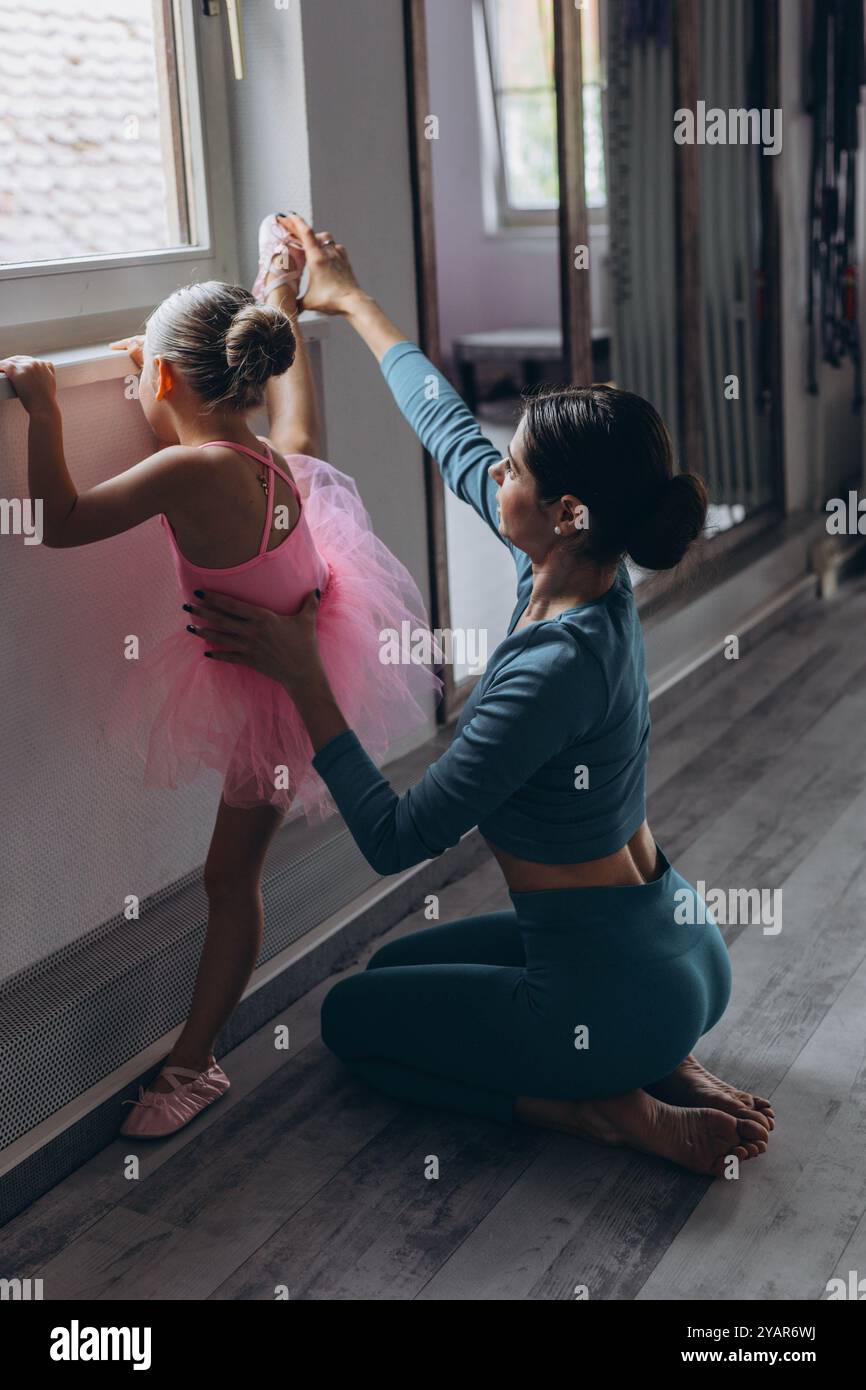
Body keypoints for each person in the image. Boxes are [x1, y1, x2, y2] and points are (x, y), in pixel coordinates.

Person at [184, 218, 776, 1179]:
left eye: (516, 467)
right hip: (677, 945)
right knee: (392, 973)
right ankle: (665, 1058)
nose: (494, 468)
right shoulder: (589, 569)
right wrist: (347, 297)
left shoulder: (547, 672)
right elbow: (450, 431)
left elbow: (394, 836)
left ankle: (613, 1107)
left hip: (611, 990)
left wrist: (304, 673)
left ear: (564, 510)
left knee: (349, 1020)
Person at [0, 214, 439, 1139]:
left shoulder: (191, 469)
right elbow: (300, 414)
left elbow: (65, 520)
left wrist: (44, 410)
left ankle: (195, 1064)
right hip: (310, 648)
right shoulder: (266, 457)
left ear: (160, 379)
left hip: (273, 686)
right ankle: (196, 1054)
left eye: (149, 374)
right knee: (229, 874)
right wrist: (270, 298)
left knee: (228, 875)